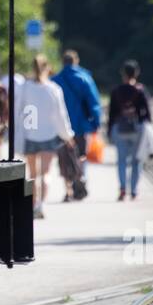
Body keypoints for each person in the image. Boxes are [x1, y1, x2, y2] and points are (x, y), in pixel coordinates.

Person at [19, 55, 74, 219]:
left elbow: (21, 110)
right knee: (46, 173)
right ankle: (41, 205)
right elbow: (60, 115)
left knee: (33, 174)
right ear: (47, 68)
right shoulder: (53, 89)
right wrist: (67, 135)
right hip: (49, 136)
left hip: (30, 134)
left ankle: (33, 203)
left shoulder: (25, 87)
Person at [52, 49, 102, 200]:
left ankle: (68, 190)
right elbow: (94, 103)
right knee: (81, 155)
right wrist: (97, 123)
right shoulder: (85, 78)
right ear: (76, 61)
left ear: (63, 62)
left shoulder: (55, 80)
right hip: (81, 125)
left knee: (64, 157)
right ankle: (81, 179)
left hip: (61, 127)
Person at [107, 60, 152, 201]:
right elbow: (147, 113)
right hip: (136, 128)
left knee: (121, 160)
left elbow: (111, 113)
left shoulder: (116, 91)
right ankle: (133, 190)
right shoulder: (140, 90)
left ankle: (122, 188)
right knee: (136, 160)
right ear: (136, 73)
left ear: (123, 74)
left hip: (120, 128)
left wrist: (109, 130)